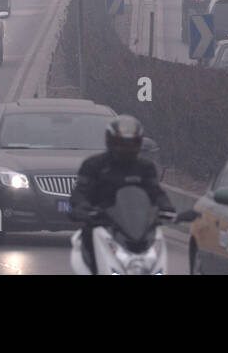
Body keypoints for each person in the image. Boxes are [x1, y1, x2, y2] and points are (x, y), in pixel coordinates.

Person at [69, 115, 173, 273]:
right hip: (103, 224)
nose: (126, 149)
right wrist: (82, 208)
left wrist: (166, 207)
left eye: (131, 144)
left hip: (139, 228)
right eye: (121, 144)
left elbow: (156, 192)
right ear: (110, 142)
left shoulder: (145, 168)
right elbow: (80, 192)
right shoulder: (94, 165)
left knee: (157, 238)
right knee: (89, 237)